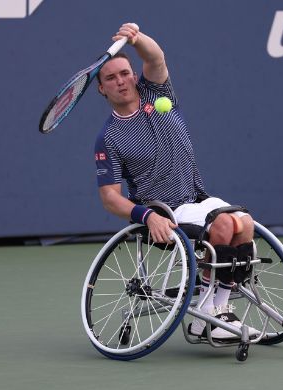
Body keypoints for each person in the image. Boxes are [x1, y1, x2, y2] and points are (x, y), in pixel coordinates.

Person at [94, 23, 261, 340]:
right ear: (102, 88)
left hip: (198, 198)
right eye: (111, 78)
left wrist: (137, 38)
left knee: (246, 223)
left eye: (125, 73)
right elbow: (110, 198)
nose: (121, 81)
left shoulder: (156, 93)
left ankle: (213, 314)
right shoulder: (109, 138)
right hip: (166, 212)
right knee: (225, 225)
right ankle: (213, 317)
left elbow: (155, 59)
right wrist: (148, 216)